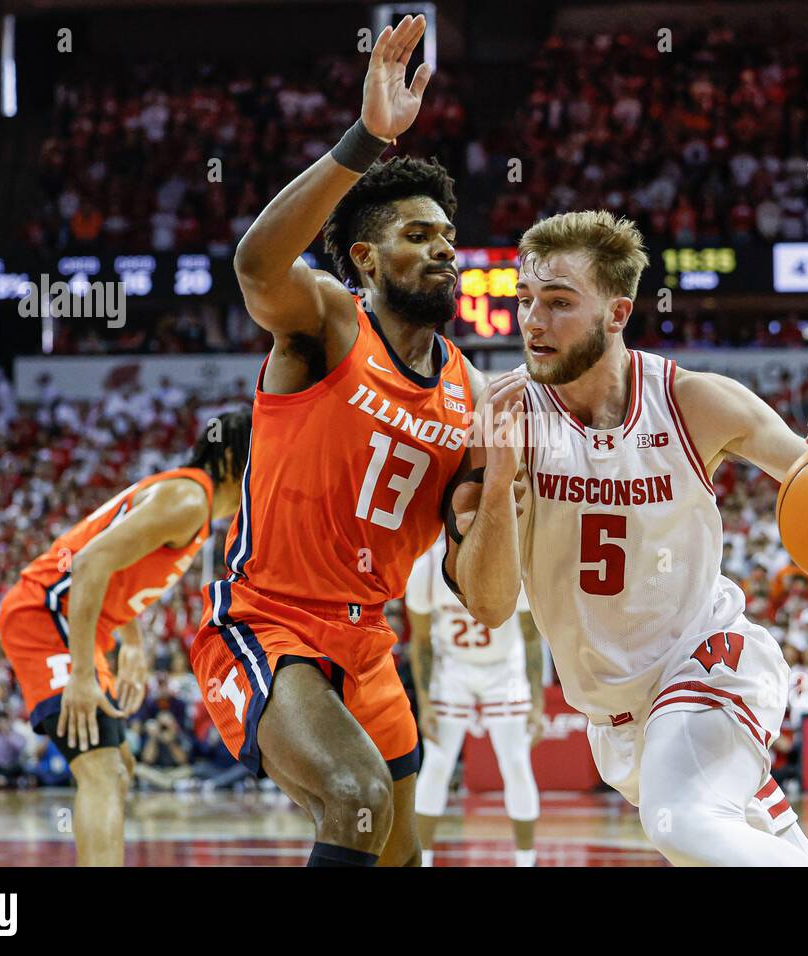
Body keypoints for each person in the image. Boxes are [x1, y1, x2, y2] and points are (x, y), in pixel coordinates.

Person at [449, 210, 808, 866]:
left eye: (560, 302)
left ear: (617, 313)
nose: (532, 321)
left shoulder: (696, 402)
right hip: (617, 719)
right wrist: (502, 475)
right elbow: (490, 603)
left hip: (709, 661)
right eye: (525, 300)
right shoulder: (504, 414)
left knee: (682, 821)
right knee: (724, 840)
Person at [189, 15, 508, 867]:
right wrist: (367, 138)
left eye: (448, 238)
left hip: (371, 642)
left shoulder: (472, 393)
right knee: (357, 801)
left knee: (400, 853)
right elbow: (257, 266)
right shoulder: (328, 323)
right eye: (417, 236)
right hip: (269, 622)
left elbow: (482, 590)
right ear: (365, 258)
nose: (443, 251)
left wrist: (510, 488)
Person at [0, 409, 249, 865]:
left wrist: (131, 640)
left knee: (119, 769)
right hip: (45, 613)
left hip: (78, 623)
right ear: (234, 458)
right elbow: (90, 562)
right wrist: (79, 674)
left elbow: (114, 566)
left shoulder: (190, 501)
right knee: (102, 769)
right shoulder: (189, 500)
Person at [406, 532, 542, 867]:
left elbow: (530, 635)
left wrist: (536, 702)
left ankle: (527, 861)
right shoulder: (425, 570)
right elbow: (421, 641)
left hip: (503, 668)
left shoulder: (508, 559)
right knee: (436, 763)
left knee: (515, 762)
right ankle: (424, 860)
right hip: (452, 668)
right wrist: (424, 705)